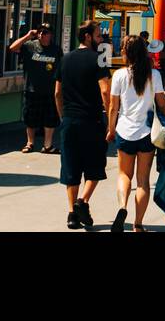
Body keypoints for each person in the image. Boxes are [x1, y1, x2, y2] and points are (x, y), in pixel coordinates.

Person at [106, 35, 165, 232]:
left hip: (124, 131)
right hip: (148, 133)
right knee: (143, 181)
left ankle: (122, 207)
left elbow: (113, 107)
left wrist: (111, 129)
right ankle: (137, 224)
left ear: (125, 52)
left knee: (124, 174)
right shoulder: (153, 75)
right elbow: (162, 104)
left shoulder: (119, 75)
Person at [54, 20, 112, 230]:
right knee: (95, 166)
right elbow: (105, 91)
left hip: (69, 121)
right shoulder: (99, 60)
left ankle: (72, 214)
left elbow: (57, 92)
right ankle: (82, 202)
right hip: (92, 120)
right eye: (98, 36)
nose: (101, 39)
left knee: (71, 167)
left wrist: (63, 116)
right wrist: (110, 118)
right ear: (87, 36)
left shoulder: (65, 59)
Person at [9, 23, 61, 154]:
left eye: (46, 32)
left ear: (51, 35)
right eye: (41, 32)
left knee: (50, 118)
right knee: (30, 118)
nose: (42, 35)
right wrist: (27, 36)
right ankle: (30, 143)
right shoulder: (30, 46)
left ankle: (47, 145)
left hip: (49, 90)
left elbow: (61, 69)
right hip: (32, 89)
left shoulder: (56, 50)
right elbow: (12, 48)